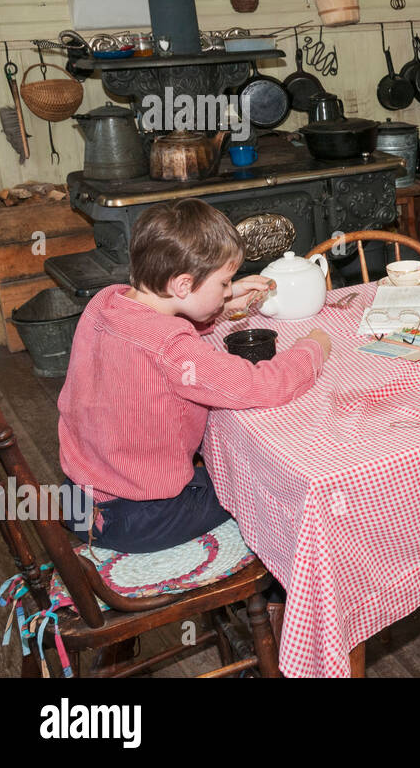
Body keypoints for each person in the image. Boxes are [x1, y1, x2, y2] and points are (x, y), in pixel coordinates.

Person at [58, 199, 332, 553]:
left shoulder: (104, 303)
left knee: (234, 471)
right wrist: (312, 351)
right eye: (224, 282)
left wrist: (221, 303)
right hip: (136, 517)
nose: (228, 289)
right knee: (269, 490)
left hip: (76, 498)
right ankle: (279, 596)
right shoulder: (172, 346)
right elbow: (257, 385)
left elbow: (151, 330)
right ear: (183, 285)